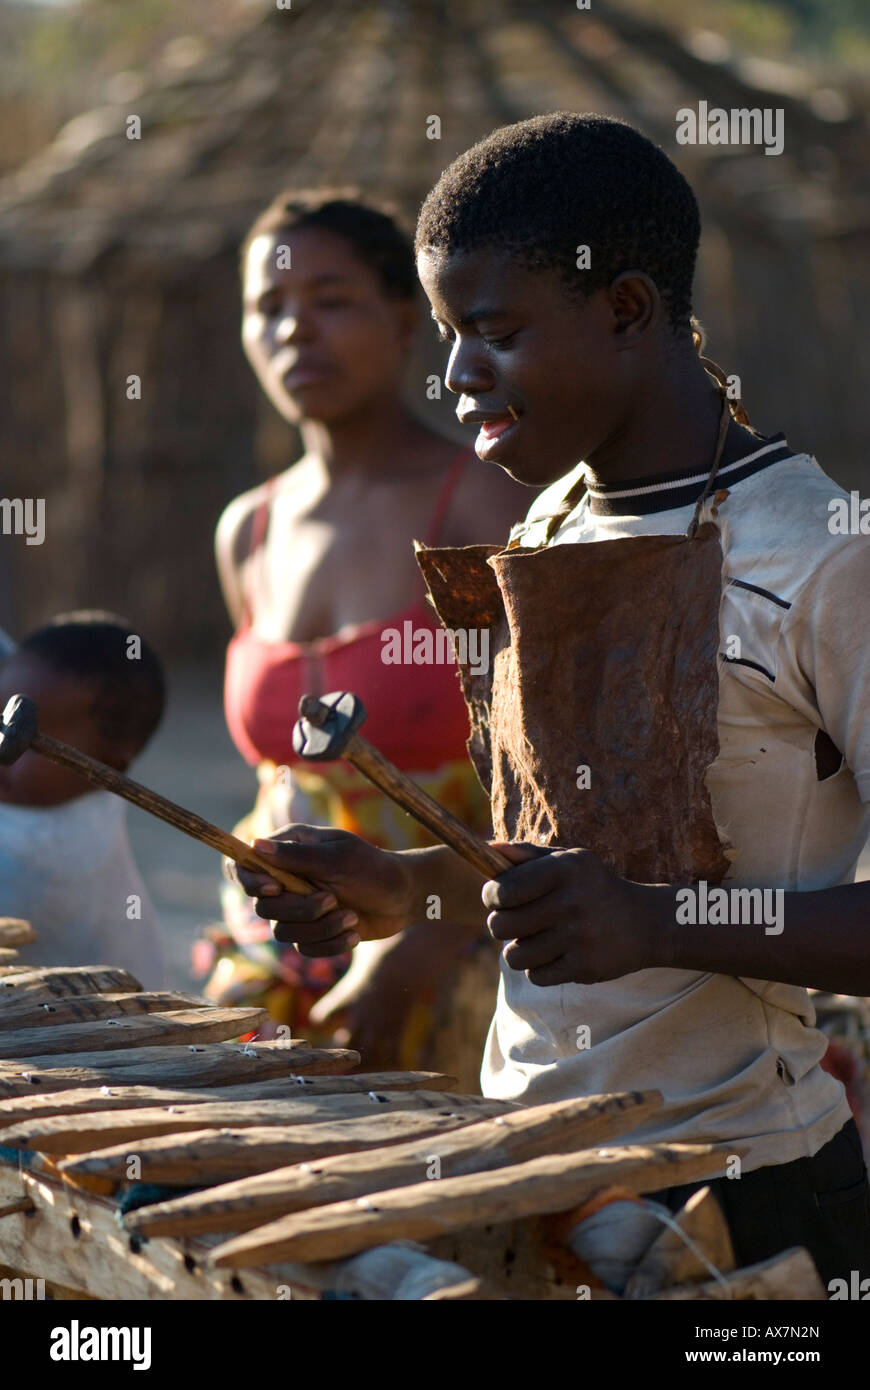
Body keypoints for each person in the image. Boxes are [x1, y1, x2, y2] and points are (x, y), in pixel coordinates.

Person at [233, 113, 870, 1288]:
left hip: (741, 1190)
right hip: (534, 1165)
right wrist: (409, 891)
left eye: (495, 332)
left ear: (626, 309)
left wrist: (661, 922)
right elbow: (561, 868)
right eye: (447, 335)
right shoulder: (548, 526)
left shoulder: (825, 557)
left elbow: (634, 910)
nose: (459, 373)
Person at [196, 189, 529, 1077]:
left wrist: (424, 934)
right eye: (268, 307)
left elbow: (555, 771)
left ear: (404, 320)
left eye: (331, 299)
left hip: (466, 948)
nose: (295, 330)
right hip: (282, 957)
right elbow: (282, 779)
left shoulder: (483, 508)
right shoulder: (248, 532)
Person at [0, 611, 166, 987]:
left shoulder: (43, 859)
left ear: (107, 765)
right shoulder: (90, 788)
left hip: (94, 1033)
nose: (1, 742)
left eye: (25, 739)